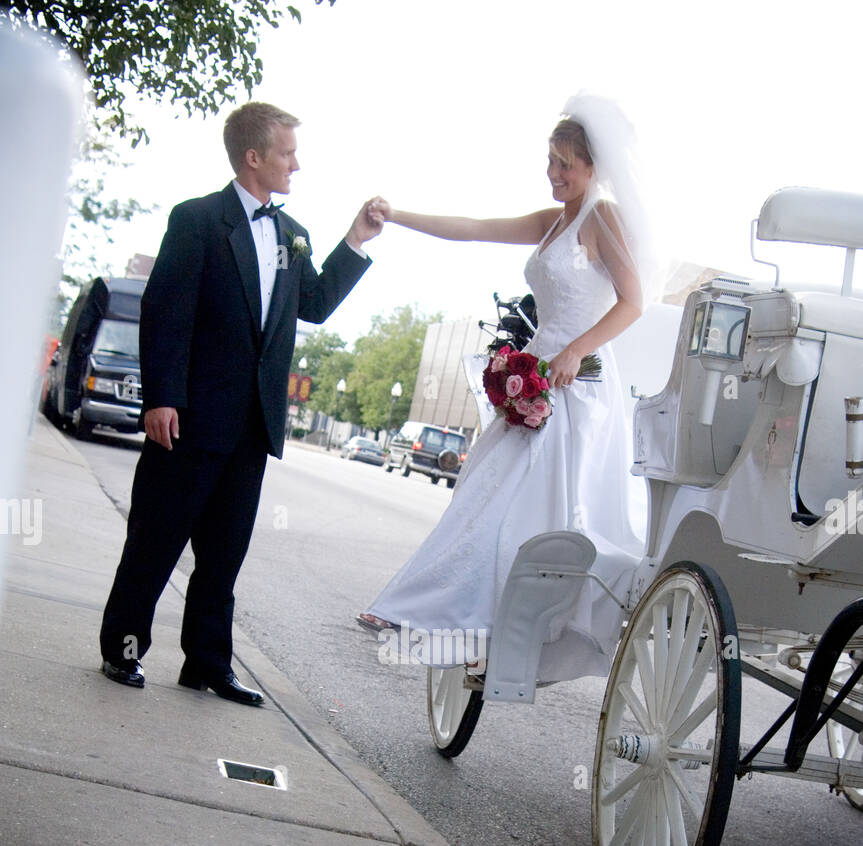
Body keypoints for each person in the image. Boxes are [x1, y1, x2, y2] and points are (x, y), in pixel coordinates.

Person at [357, 93, 659, 686]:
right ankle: (425, 610)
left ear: (594, 167)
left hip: (579, 384)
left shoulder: (602, 217)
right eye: (550, 160)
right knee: (485, 494)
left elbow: (634, 301)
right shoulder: (554, 221)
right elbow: (474, 229)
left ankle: (505, 631)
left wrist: (576, 349)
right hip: (538, 375)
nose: (553, 173)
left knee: (535, 510)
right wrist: (397, 217)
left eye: (565, 164)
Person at [100, 101, 384, 705]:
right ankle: (122, 652)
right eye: (287, 152)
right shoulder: (198, 220)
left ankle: (206, 664)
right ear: (253, 157)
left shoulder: (292, 235)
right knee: (154, 545)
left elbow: (312, 302)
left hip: (251, 426)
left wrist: (355, 241)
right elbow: (166, 311)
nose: (296, 165)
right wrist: (162, 398)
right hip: (188, 419)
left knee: (223, 558)